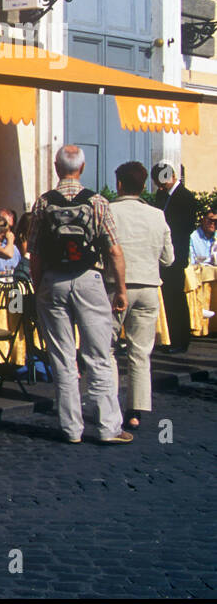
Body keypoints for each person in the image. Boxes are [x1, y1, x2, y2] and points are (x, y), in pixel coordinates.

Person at [30, 145, 130, 444]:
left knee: (62, 357)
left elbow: (33, 252)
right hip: (89, 279)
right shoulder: (98, 202)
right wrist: (121, 288)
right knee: (98, 356)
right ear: (82, 168)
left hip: (53, 282)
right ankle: (107, 427)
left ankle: (71, 428)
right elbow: (113, 249)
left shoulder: (43, 203)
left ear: (56, 168)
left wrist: (39, 288)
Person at [109, 161, 173, 431]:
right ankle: (135, 411)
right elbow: (169, 258)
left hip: (115, 286)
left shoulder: (109, 212)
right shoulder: (157, 215)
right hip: (148, 286)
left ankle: (109, 406)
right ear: (144, 186)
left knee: (108, 349)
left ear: (119, 184)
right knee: (140, 352)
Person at [153, 161, 198, 354]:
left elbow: (184, 228)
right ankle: (171, 337)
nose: (160, 187)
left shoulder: (185, 197)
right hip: (161, 253)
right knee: (167, 299)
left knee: (176, 297)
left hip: (176, 254)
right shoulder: (161, 196)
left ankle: (181, 339)